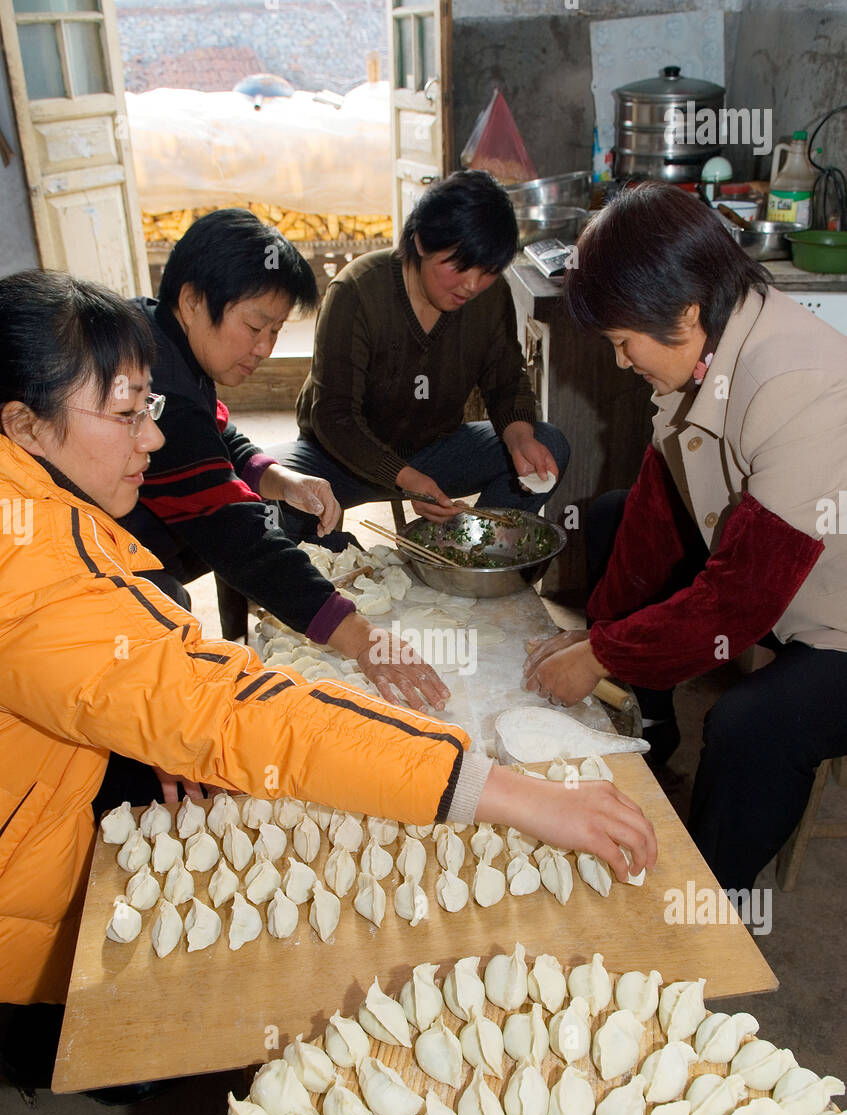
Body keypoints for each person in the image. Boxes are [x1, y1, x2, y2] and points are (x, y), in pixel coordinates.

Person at [0, 269, 656, 1020]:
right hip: (20, 889)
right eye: (123, 413)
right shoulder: (30, 565)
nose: (150, 434)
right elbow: (235, 712)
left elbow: (108, 669)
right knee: (172, 1015)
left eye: (148, 405)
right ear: (23, 425)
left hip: (36, 817)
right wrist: (509, 794)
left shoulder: (30, 509)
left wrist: (135, 712)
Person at [523, 181, 847, 895]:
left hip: (836, 625)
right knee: (611, 516)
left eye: (620, 342)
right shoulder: (710, 347)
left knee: (753, 724)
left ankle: (708, 906)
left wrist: (600, 651)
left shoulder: (798, 383)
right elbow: (657, 507)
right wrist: (598, 638)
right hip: (791, 581)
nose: (618, 361)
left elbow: (737, 605)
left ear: (684, 310)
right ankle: (647, 726)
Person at [124, 207, 446, 712]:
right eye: (254, 325)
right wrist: (361, 639)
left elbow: (218, 432)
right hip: (100, 558)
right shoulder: (158, 382)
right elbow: (237, 537)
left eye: (275, 331)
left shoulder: (161, 330)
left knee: (270, 510)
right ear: (191, 301)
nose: (264, 348)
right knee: (164, 611)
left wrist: (280, 479)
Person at [278, 169, 570, 537]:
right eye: (460, 266)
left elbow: (506, 381)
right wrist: (405, 478)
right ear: (420, 241)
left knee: (550, 445)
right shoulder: (356, 291)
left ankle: (464, 548)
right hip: (339, 460)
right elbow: (335, 417)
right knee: (260, 498)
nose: (472, 285)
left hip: (434, 451)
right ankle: (350, 562)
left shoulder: (489, 298)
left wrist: (520, 439)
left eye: (489, 272)